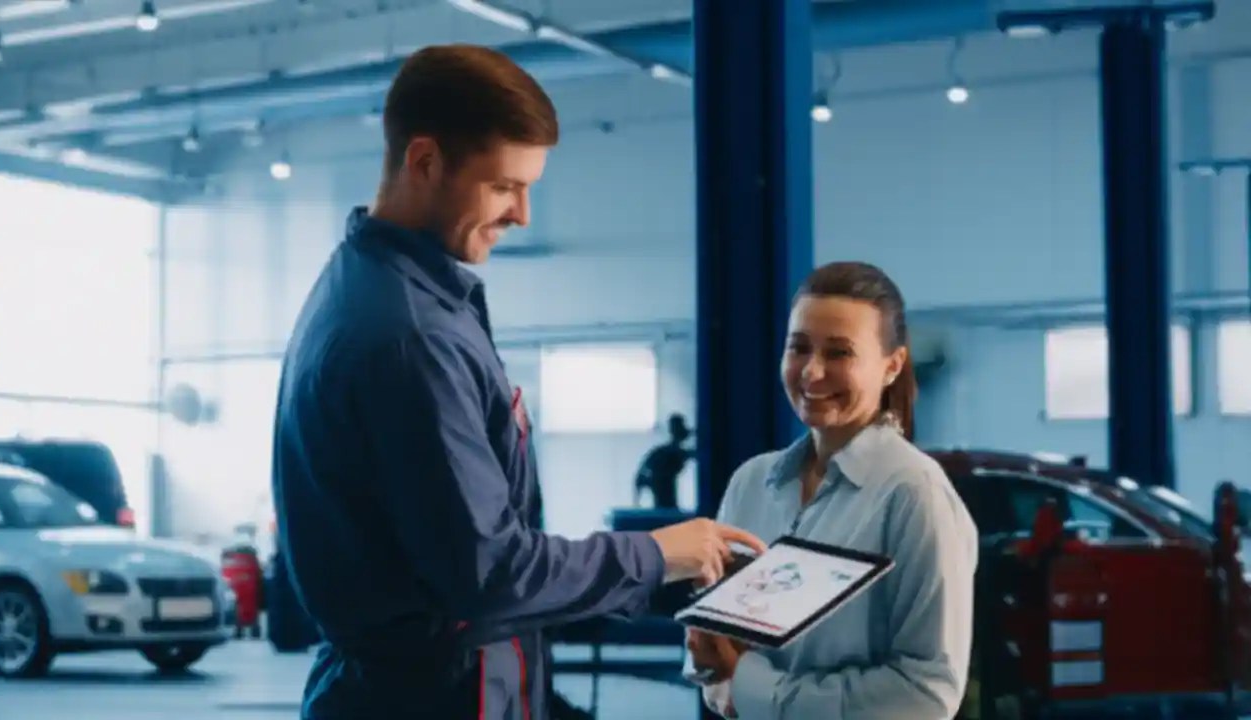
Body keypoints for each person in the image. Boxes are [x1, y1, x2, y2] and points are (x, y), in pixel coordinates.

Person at [270, 44, 765, 720]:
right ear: (425, 161)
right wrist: (654, 555)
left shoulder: (381, 290)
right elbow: (490, 573)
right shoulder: (412, 337)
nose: (523, 214)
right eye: (504, 186)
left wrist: (662, 577)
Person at [686, 261, 979, 719]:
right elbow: (711, 654)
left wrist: (752, 687)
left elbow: (925, 695)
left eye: (840, 353)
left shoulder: (914, 495)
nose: (812, 372)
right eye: (799, 347)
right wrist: (712, 664)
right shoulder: (752, 483)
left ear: (892, 366)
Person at [633, 413, 695, 509]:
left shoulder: (669, 452)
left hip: (665, 497)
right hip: (663, 496)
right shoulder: (663, 453)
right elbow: (640, 477)